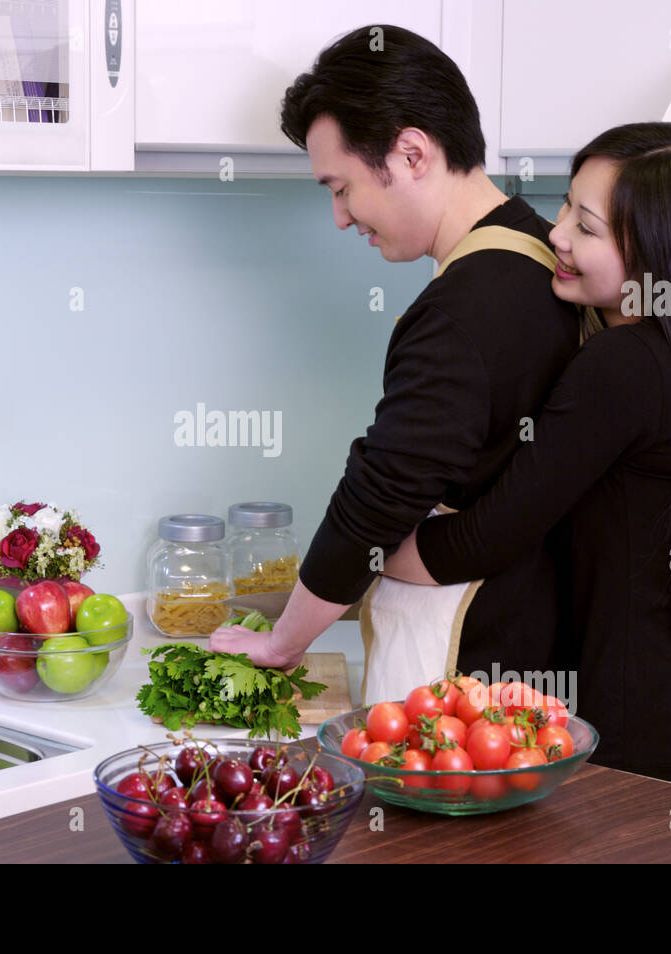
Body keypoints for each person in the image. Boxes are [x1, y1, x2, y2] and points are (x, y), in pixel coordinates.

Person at [380, 122, 671, 812]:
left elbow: (489, 534)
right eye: (564, 208)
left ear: (660, 255)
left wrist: (368, 550)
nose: (558, 236)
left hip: (670, 786)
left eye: (588, 226)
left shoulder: (621, 365)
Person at [210, 25, 586, 690]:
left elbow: (379, 497)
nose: (340, 216)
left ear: (412, 154)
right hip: (537, 654)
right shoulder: (539, 253)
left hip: (460, 671)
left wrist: (281, 642)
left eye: (340, 186)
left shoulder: (462, 310)